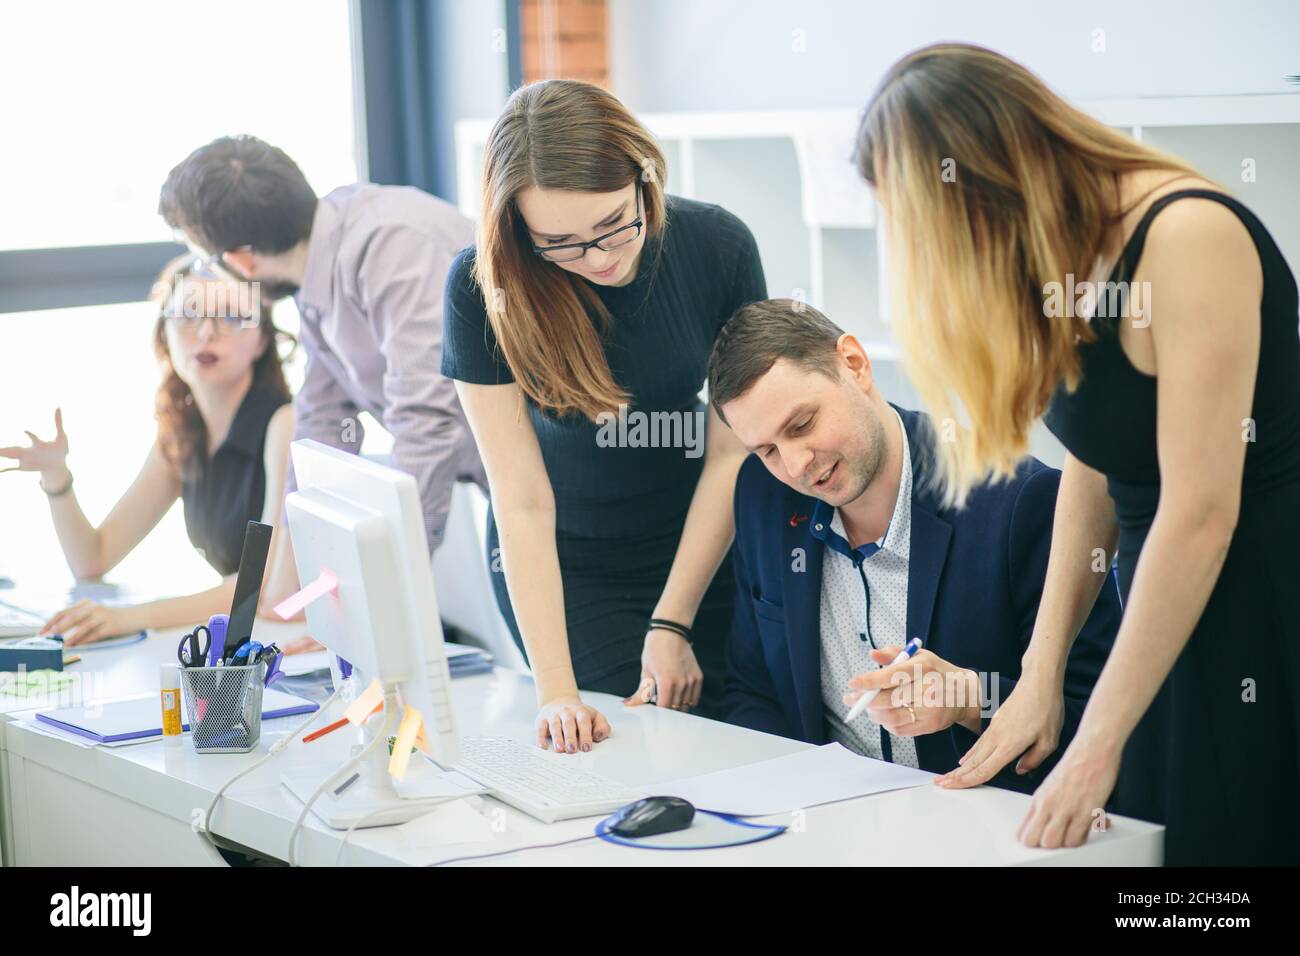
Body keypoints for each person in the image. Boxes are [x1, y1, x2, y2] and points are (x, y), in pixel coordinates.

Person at [854, 43, 1300, 864]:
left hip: (1257, 606)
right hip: (1163, 609)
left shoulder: (1187, 235)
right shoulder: (1064, 251)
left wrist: (1097, 742)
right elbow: (1098, 463)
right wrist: (1040, 676)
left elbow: (1199, 513)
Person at [442, 79, 766, 752]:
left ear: (644, 177)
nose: (600, 257)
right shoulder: (483, 288)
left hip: (704, 538)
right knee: (633, 748)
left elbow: (733, 451)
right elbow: (521, 500)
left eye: (614, 222)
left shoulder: (718, 246)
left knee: (753, 738)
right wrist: (555, 691)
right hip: (569, 564)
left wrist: (672, 623)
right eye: (560, 241)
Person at [710, 300, 1120, 790]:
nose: (795, 465)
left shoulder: (1018, 502)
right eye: (769, 450)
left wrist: (971, 701)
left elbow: (1097, 725)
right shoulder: (762, 494)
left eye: (802, 426)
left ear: (855, 364)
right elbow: (751, 691)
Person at [157, 135, 486, 618]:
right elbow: (322, 424)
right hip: (514, 487)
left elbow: (428, 423)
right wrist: (285, 599)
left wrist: (383, 603)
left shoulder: (389, 246)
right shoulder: (317, 273)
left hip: (575, 476)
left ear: (241, 260)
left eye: (210, 261)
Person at [0, 256, 294, 644]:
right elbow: (93, 559)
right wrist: (57, 477)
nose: (206, 332)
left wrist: (131, 617)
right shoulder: (184, 433)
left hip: (296, 639)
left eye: (232, 316)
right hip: (254, 641)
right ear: (164, 334)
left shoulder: (285, 424)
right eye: (189, 316)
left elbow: (258, 588)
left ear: (261, 340)